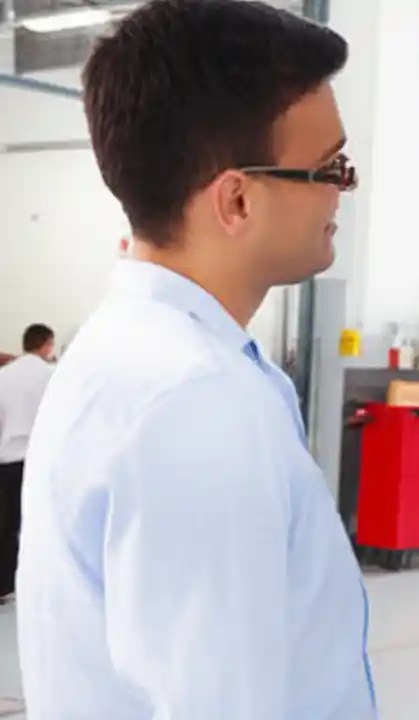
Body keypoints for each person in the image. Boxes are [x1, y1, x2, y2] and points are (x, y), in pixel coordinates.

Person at [15, 2, 374, 719]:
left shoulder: (129, 350)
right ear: (236, 200)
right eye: (330, 166)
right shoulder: (196, 399)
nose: (343, 187)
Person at [0, 324, 56, 601]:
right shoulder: (51, 375)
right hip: (38, 459)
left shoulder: (4, 375)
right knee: (40, 523)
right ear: (46, 344)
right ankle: (38, 581)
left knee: (7, 523)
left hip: (7, 459)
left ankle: (4, 583)